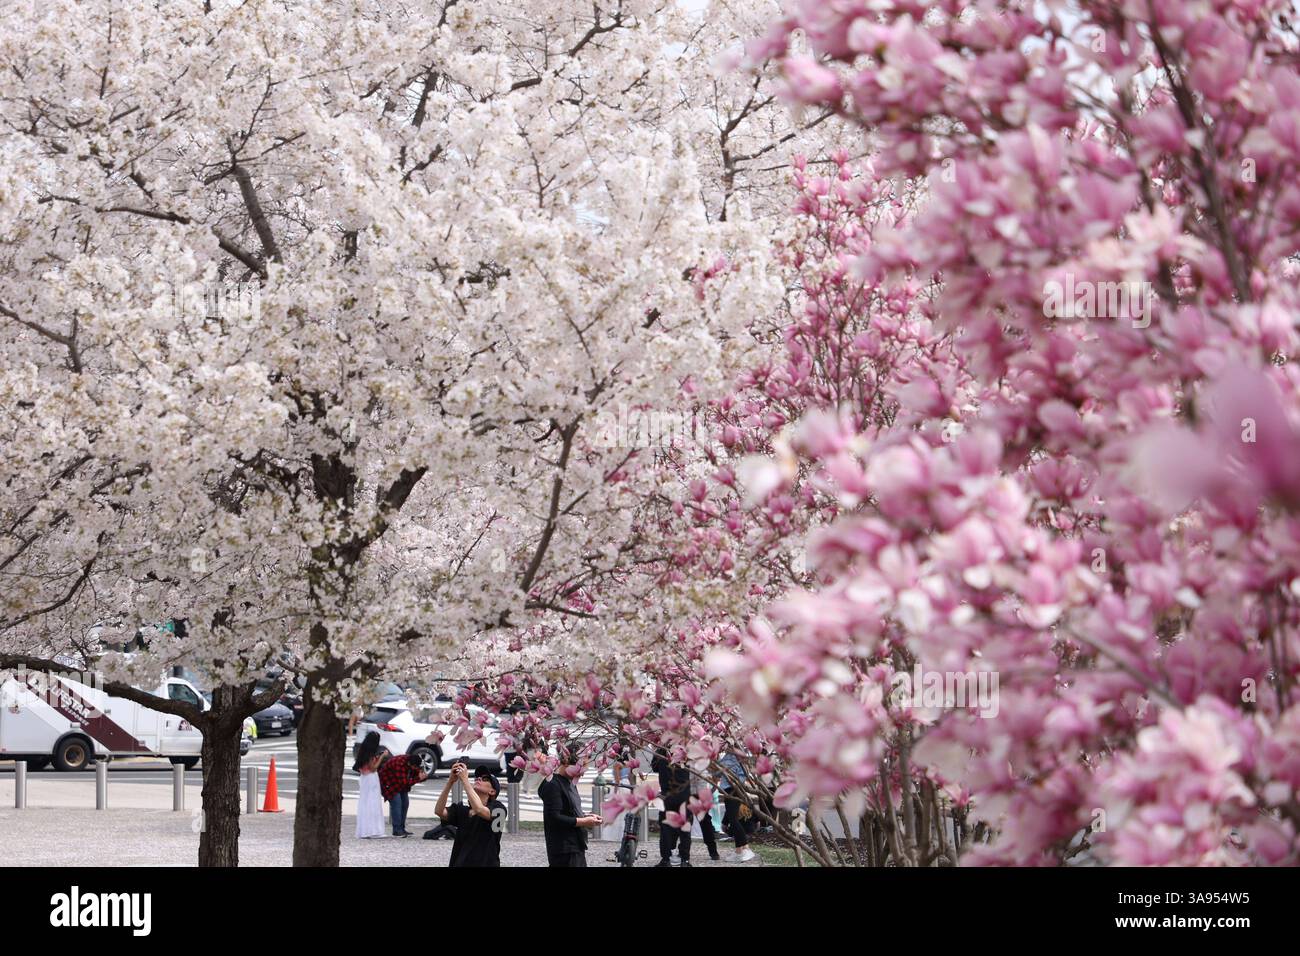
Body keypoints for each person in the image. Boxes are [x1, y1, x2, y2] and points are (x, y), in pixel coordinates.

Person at [538, 746, 602, 867]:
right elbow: (555, 817)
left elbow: (568, 811)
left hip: (576, 845)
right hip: (564, 849)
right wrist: (583, 821)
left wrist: (587, 817)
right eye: (581, 766)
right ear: (567, 762)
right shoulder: (553, 784)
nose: (583, 772)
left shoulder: (570, 782)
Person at [435, 762, 506, 867]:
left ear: (492, 791)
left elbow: (480, 810)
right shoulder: (462, 810)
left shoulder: (499, 808)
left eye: (485, 779)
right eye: (477, 777)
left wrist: (465, 781)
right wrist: (450, 781)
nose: (478, 779)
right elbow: (439, 811)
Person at [651, 747, 709, 866]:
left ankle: (666, 859)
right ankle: (685, 859)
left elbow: (654, 768)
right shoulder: (686, 749)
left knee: (666, 828)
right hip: (684, 795)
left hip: (667, 795)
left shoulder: (661, 750)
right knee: (685, 829)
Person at [377, 748, 428, 837]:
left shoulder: (412, 762)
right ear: (410, 764)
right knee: (397, 804)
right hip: (389, 783)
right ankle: (397, 830)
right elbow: (404, 782)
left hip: (400, 784)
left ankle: (402, 828)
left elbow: (416, 775)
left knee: (405, 803)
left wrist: (423, 776)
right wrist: (419, 778)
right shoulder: (399, 763)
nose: (416, 769)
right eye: (415, 767)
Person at [718, 752, 756, 862]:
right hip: (731, 789)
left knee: (734, 820)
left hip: (733, 789)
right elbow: (717, 772)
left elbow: (719, 772)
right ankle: (740, 849)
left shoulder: (737, 757)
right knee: (732, 819)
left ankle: (744, 848)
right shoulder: (730, 756)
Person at [353, 732, 386, 839]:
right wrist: (382, 757)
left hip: (364, 778)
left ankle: (364, 829)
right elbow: (373, 768)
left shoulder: (362, 751)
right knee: (373, 803)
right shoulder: (371, 753)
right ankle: (372, 829)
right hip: (371, 778)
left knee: (364, 802)